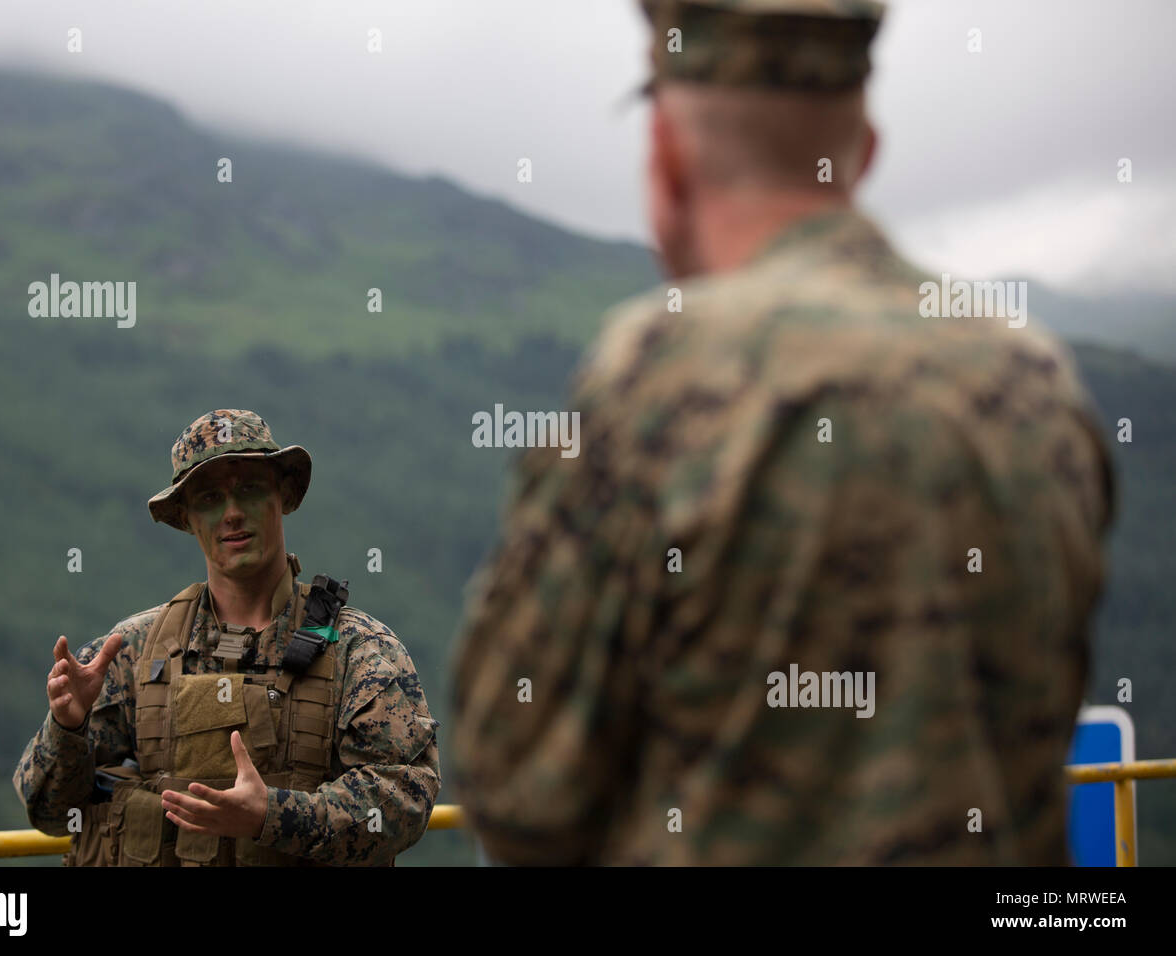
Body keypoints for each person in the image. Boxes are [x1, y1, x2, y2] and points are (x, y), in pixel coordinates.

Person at [451, 0, 1114, 865]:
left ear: (666, 155)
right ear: (866, 148)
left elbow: (517, 786)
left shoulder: (657, 376)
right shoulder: (1037, 381)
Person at [13, 409, 440, 866]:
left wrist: (275, 816)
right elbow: (51, 813)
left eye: (251, 490)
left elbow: (404, 798)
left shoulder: (358, 649)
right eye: (210, 498)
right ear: (187, 518)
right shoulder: (131, 651)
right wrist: (69, 728)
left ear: (284, 495)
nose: (232, 513)